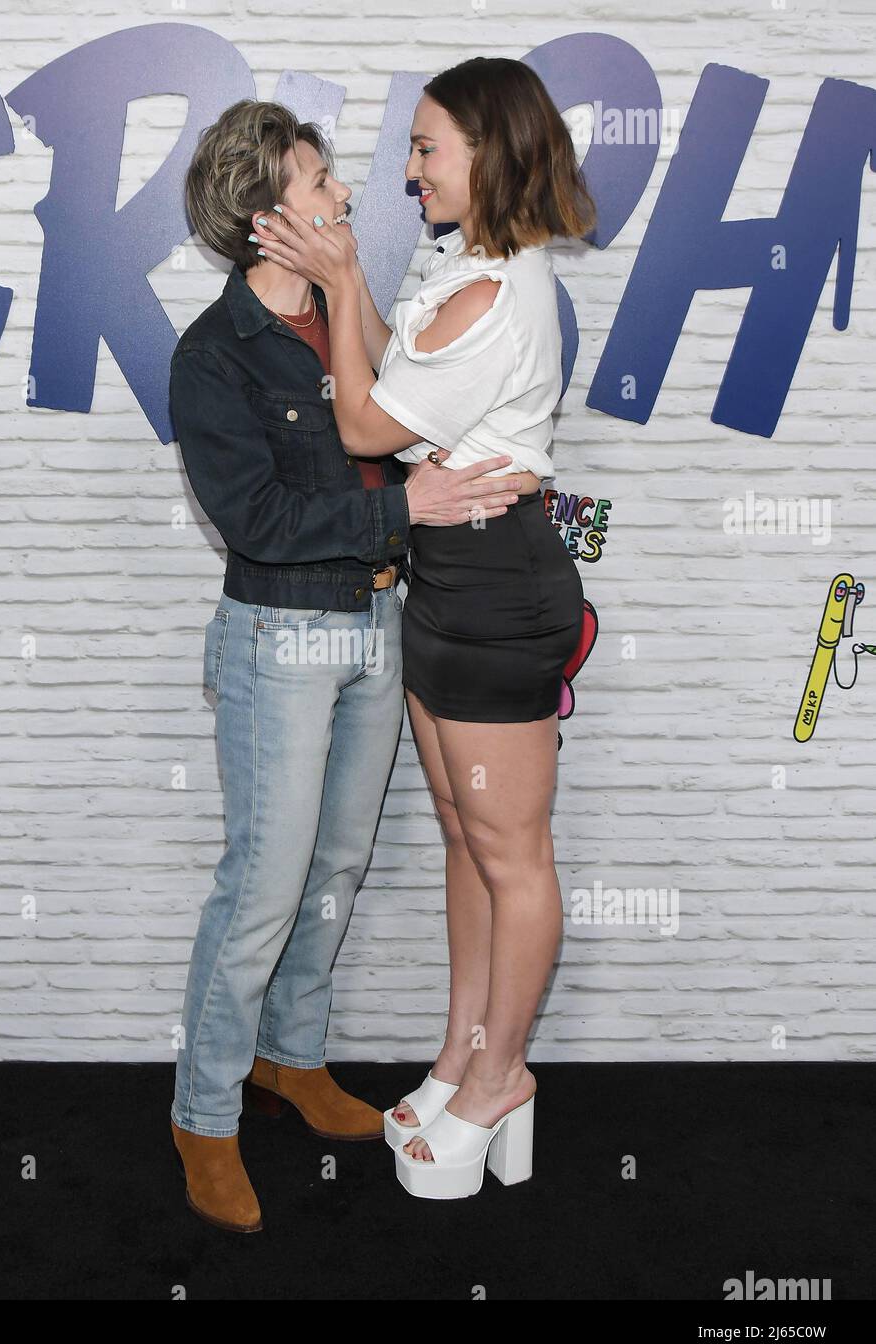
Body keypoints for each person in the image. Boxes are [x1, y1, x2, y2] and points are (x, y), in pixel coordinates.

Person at [168, 99, 527, 1231]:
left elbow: (409, 426)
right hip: (281, 636)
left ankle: (294, 1057)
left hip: (378, 628)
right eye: (320, 181)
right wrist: (406, 509)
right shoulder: (210, 354)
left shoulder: (355, 313)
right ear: (266, 215)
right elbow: (261, 519)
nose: (344, 196)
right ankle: (203, 1112)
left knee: (336, 866)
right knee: (262, 890)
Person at [251, 56, 597, 1199]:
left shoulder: (496, 293)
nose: (406, 172)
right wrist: (358, 292)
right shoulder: (466, 265)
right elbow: (395, 412)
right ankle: (460, 1054)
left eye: (425, 148)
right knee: (460, 831)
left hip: (498, 589)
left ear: (488, 154)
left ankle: (502, 1078)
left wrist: (343, 279)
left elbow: (361, 419)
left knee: (511, 851)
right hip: (440, 576)